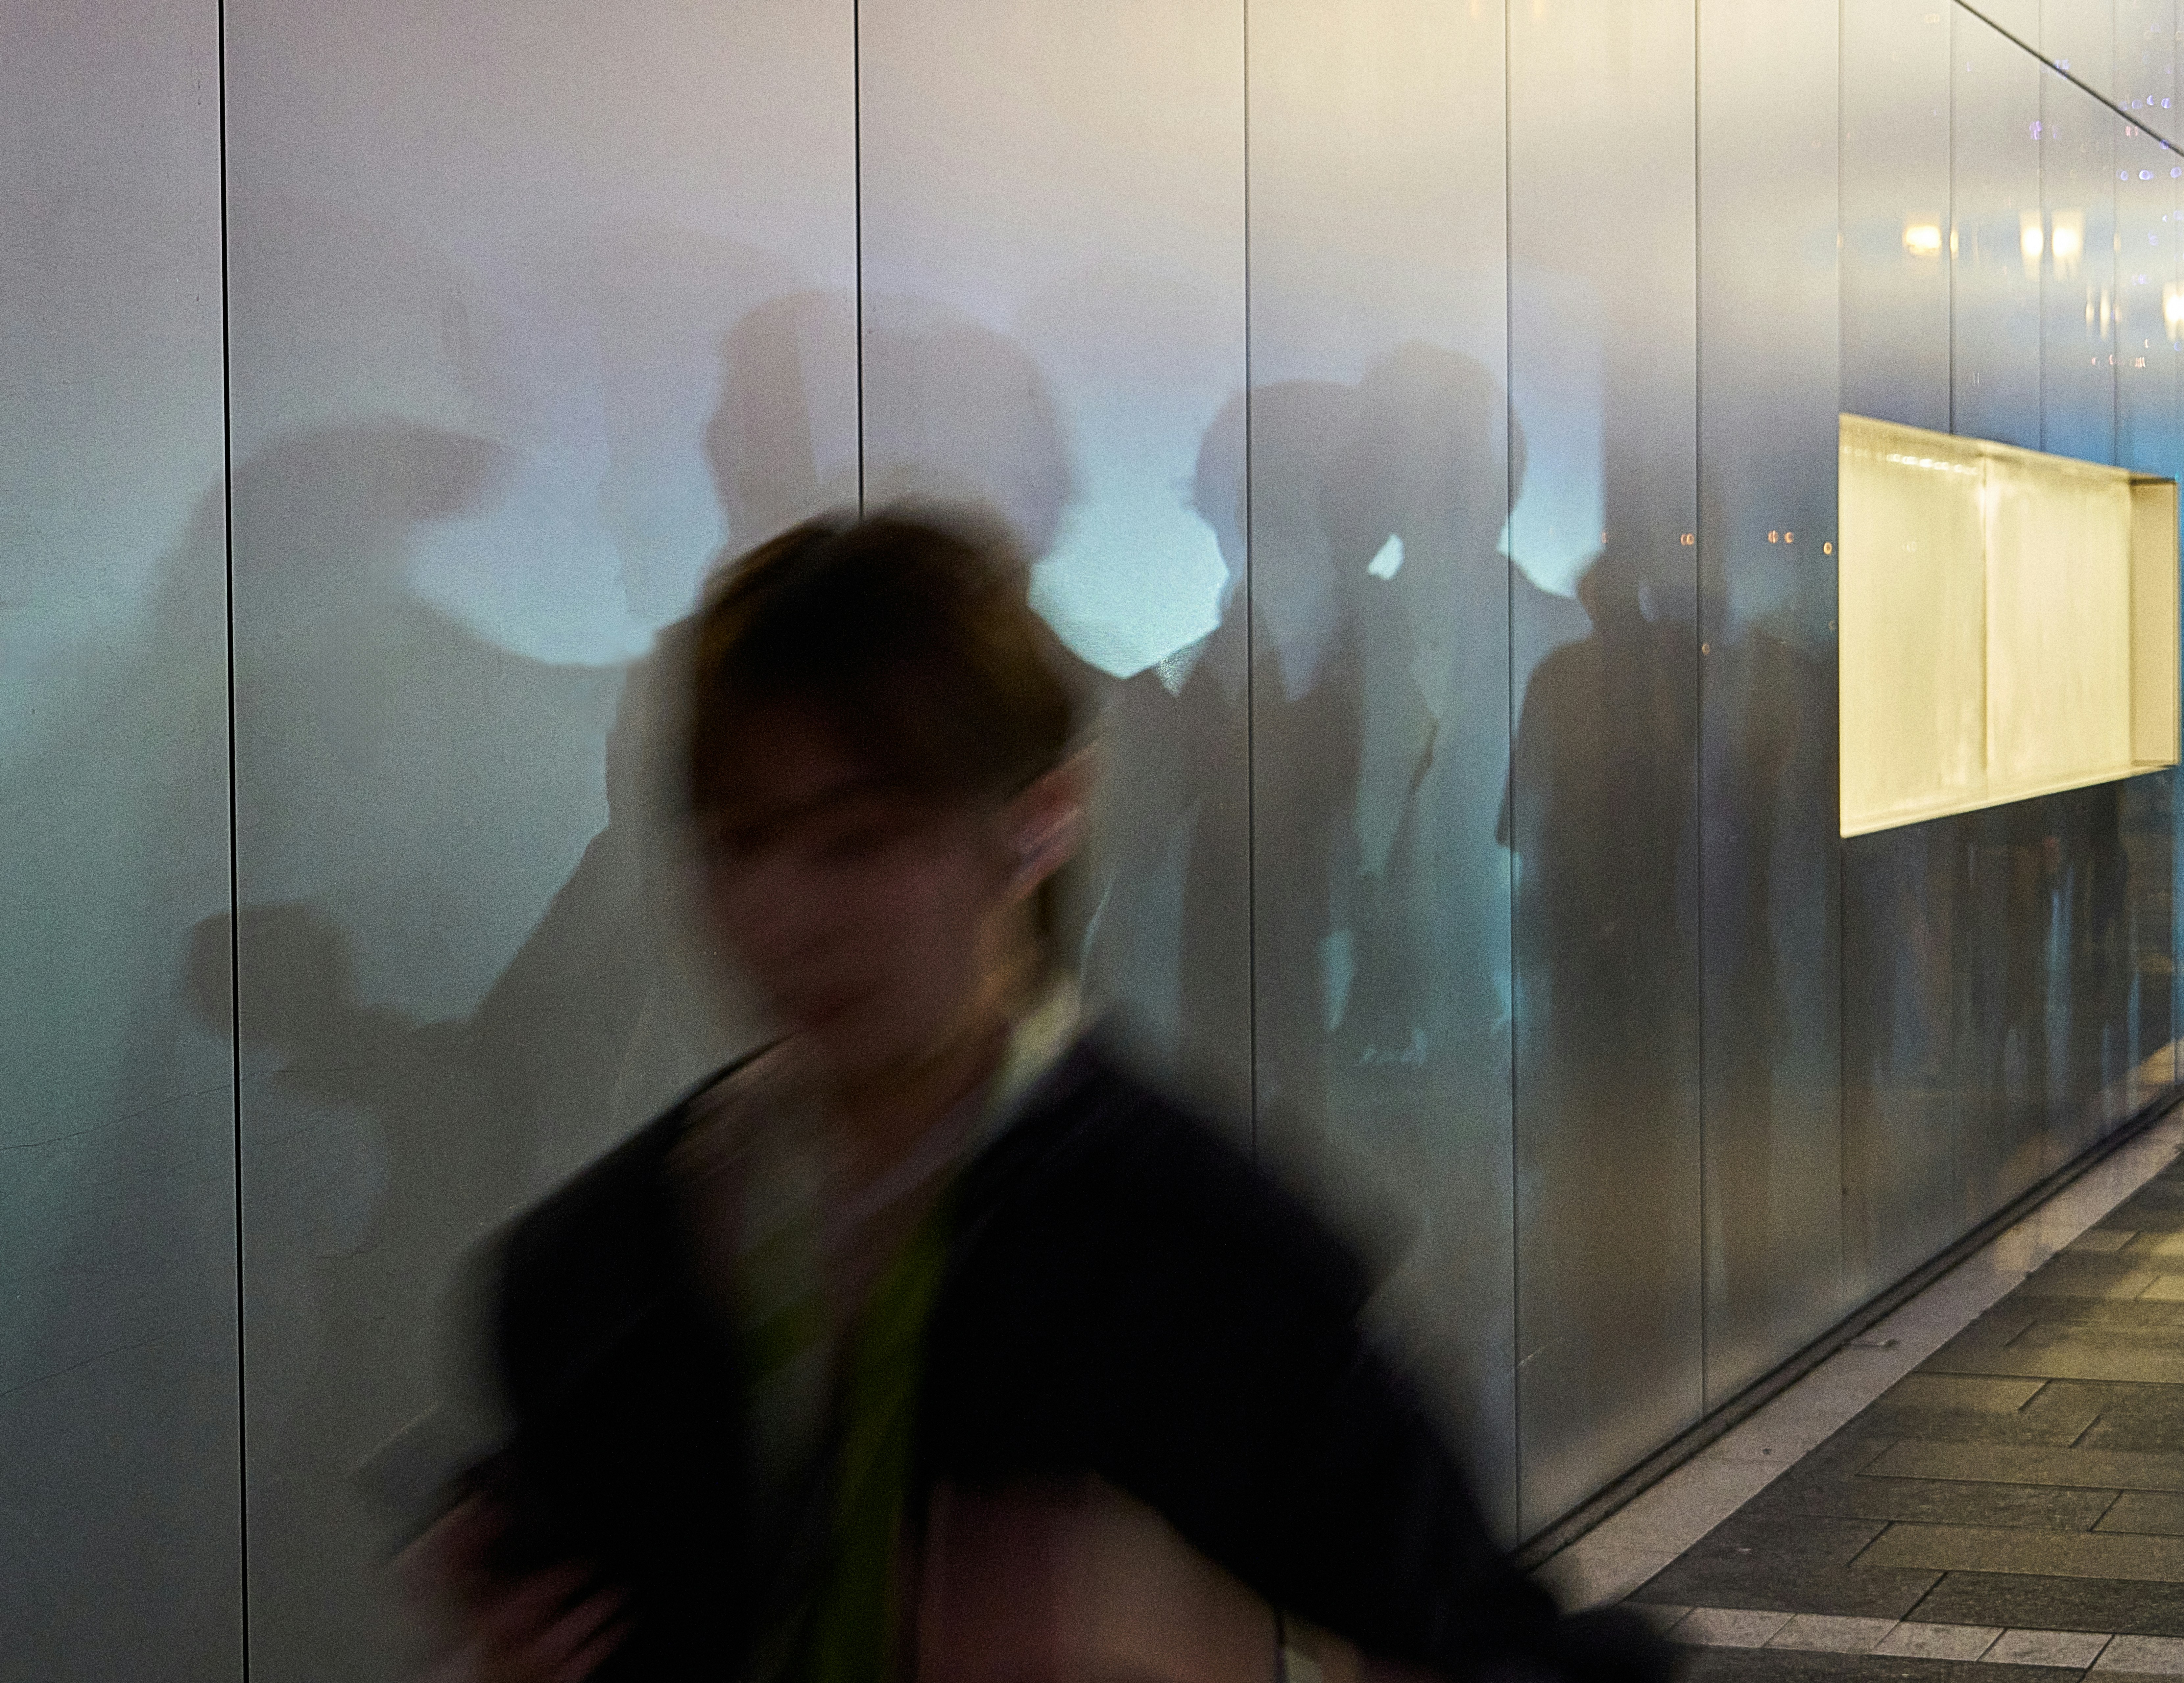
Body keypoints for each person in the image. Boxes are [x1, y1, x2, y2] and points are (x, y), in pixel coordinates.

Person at [415, 508, 1665, 1683]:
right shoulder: (597, 1271)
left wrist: (1202, 1638)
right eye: (742, 842)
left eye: (860, 840)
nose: (783, 916)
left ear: (1037, 823)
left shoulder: (1213, 1271)